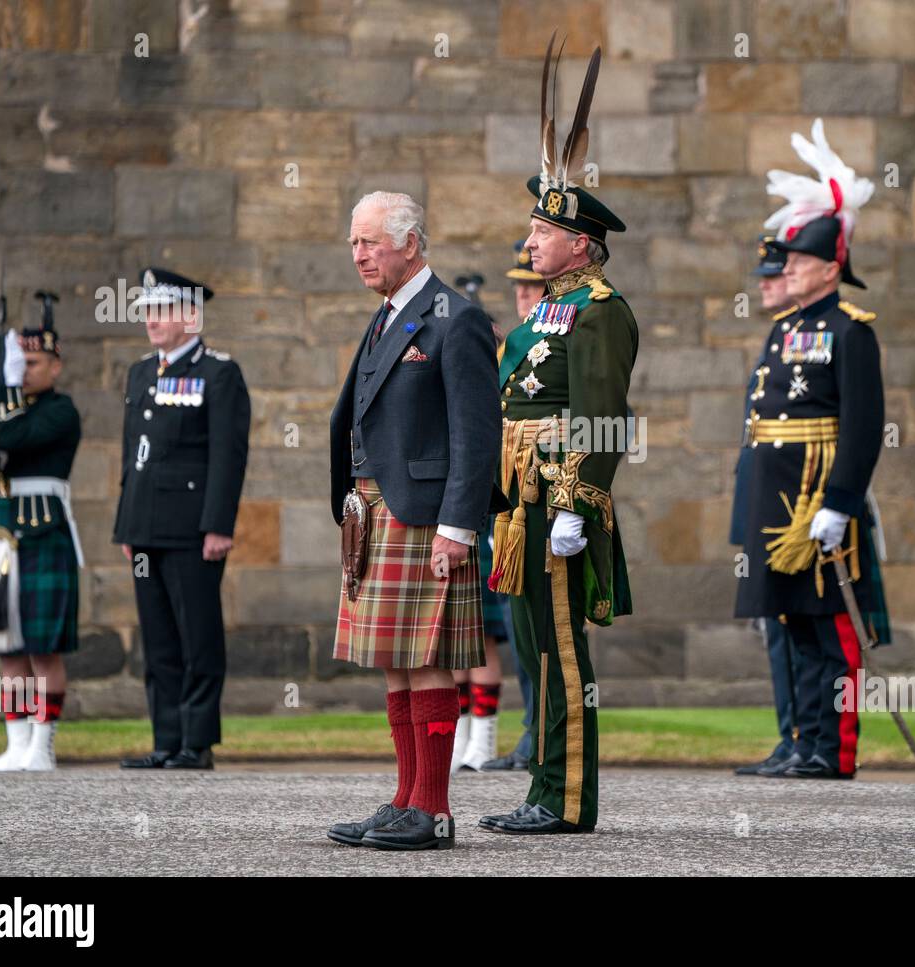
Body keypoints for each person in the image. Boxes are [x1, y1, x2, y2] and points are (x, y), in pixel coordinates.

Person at [479, 37, 638, 834]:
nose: (530, 242)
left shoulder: (600, 310)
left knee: (562, 653)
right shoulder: (549, 308)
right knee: (537, 649)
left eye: (542, 233)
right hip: (522, 497)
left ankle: (568, 797)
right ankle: (543, 788)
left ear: (581, 243)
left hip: (559, 499)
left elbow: (606, 413)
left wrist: (579, 502)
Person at [326, 191, 501, 851]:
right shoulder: (386, 317)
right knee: (394, 663)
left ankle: (433, 809)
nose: (359, 254)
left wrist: (460, 525)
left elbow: (478, 434)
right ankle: (404, 799)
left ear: (408, 243)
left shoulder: (455, 319)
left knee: (426, 660)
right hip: (372, 513)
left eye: (369, 242)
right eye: (353, 244)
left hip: (426, 516)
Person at [735, 119, 891, 781]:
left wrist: (842, 501)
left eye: (799, 262)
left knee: (833, 629)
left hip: (817, 496)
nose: (787, 270)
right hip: (775, 495)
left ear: (831, 268)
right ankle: (802, 738)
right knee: (794, 622)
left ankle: (834, 746)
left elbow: (862, 424)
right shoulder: (784, 329)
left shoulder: (850, 331)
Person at [115, 268, 251, 771]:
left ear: (190, 317)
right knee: (158, 636)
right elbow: (134, 455)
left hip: (193, 528)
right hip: (145, 526)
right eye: (148, 310)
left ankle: (196, 741)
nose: (152, 320)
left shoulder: (219, 373)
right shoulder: (140, 373)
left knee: (197, 634)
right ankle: (166, 738)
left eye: (163, 310)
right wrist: (126, 525)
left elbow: (227, 456)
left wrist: (218, 525)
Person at [0, 300, 82, 771]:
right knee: (8, 646)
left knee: (41, 645)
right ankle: (16, 743)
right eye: (19, 363)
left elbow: (17, 436)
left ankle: (42, 747)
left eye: (32, 363)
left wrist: (1, 407)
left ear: (55, 365)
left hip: (44, 533)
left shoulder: (61, 411)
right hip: (2, 537)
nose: (25, 371)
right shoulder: (8, 411)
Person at [730, 235, 818, 778]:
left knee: (801, 626)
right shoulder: (781, 337)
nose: (765, 284)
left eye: (775, 275)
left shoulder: (813, 337)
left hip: (796, 505)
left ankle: (810, 736)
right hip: (764, 499)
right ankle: (792, 735)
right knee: (777, 628)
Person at [479, 240, 548, 773]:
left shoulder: (559, 342)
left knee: (545, 631)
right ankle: (531, 735)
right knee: (519, 631)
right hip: (504, 511)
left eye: (533, 285)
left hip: (544, 502)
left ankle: (545, 740)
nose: (524, 295)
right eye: (519, 287)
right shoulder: (509, 349)